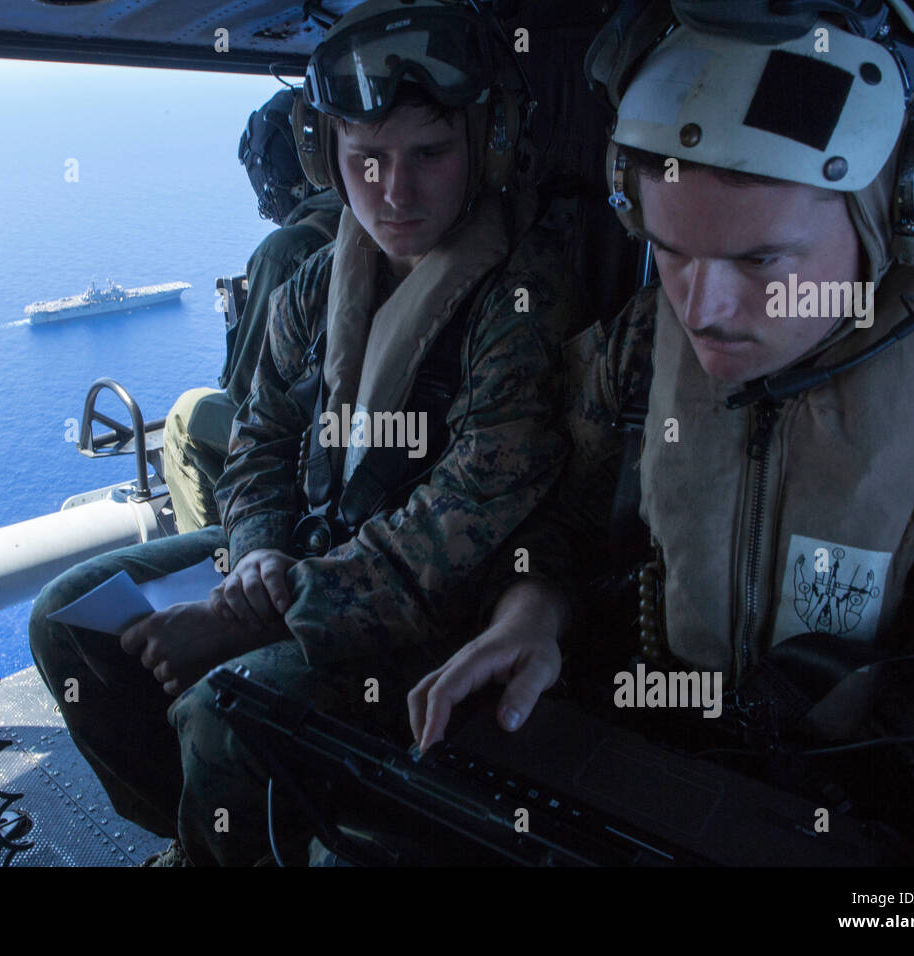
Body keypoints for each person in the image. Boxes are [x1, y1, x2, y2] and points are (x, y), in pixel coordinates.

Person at [409, 0, 914, 859]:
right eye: (673, 252)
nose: (703, 313)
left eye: (760, 260)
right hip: (666, 781)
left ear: (906, 214)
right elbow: (569, 521)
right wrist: (530, 614)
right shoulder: (642, 346)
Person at [29, 0, 574, 865]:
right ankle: (196, 830)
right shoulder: (314, 282)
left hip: (436, 611)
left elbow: (462, 522)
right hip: (297, 560)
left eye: (429, 155)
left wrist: (275, 611)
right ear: (330, 158)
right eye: (366, 160)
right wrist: (253, 557)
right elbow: (261, 441)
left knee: (225, 710)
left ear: (487, 145)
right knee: (66, 620)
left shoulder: (521, 299)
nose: (394, 193)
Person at [163, 88, 343, 532]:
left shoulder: (286, 250)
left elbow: (248, 397)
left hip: (309, 445)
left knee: (186, 416)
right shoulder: (367, 217)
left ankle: (214, 556)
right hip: (353, 433)